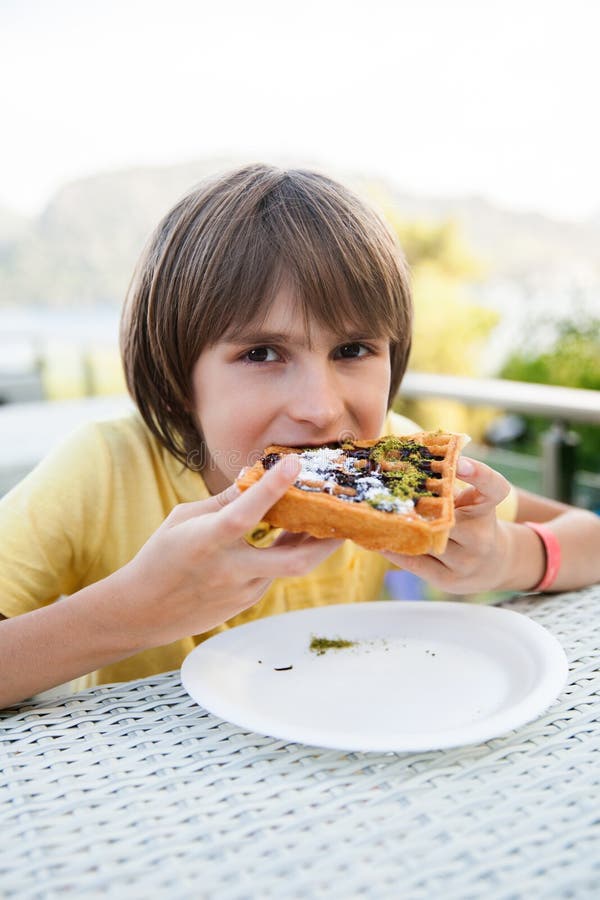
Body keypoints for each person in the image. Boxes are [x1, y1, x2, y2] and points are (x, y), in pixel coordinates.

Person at [0, 164, 598, 709]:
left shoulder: (397, 462)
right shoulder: (105, 469)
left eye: (354, 349)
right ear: (178, 377)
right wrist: (129, 613)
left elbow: (588, 539)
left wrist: (503, 556)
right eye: (262, 353)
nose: (319, 407)